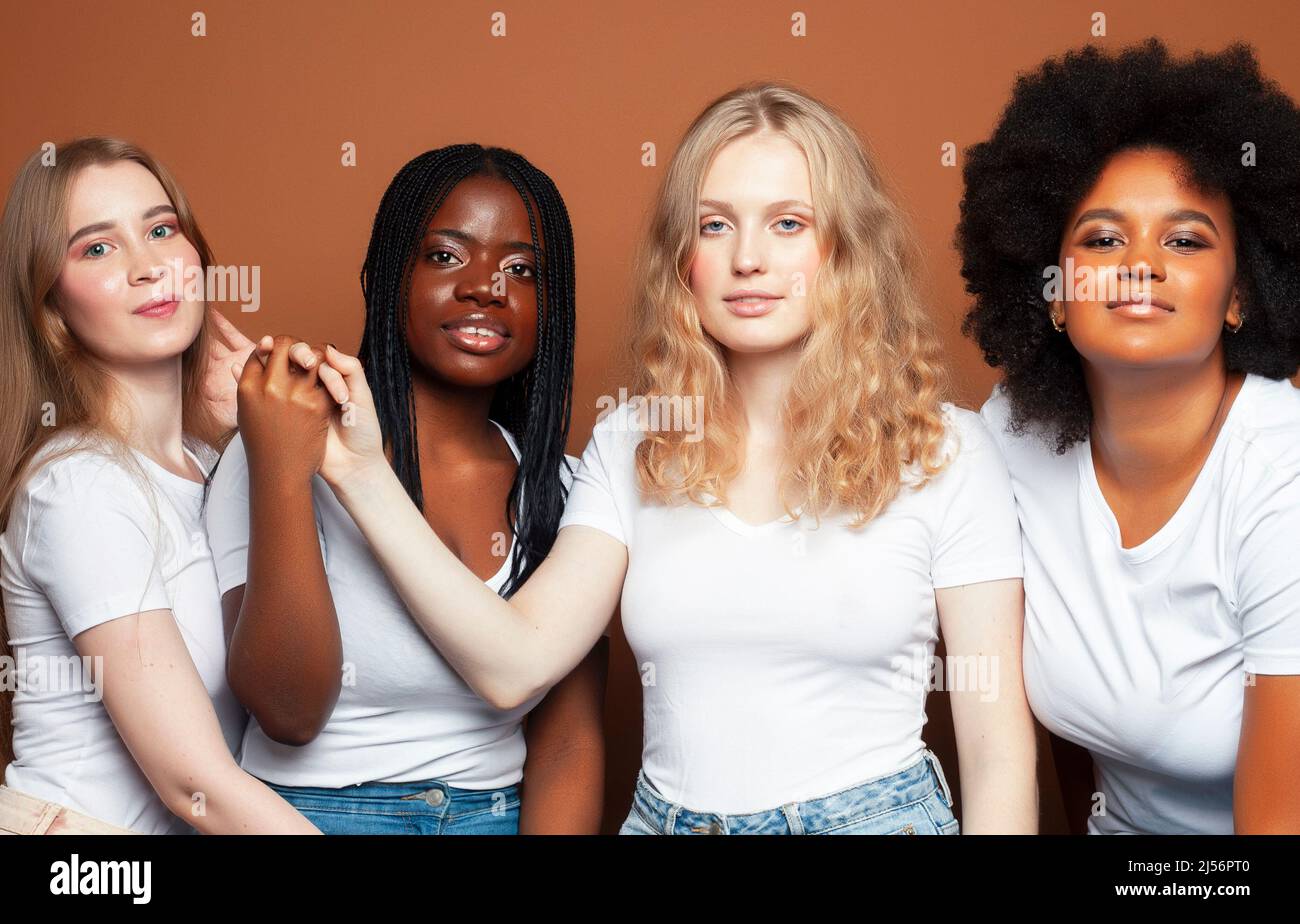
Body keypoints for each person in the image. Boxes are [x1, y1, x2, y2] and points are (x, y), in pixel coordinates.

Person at [271, 83, 1039, 834]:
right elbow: (511, 665)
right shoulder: (635, 442)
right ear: (683, 258)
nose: (748, 259)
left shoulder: (945, 449)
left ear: (846, 248)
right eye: (714, 225)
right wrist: (362, 473)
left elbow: (999, 753)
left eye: (788, 223)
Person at [205, 146, 607, 834]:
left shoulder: (566, 491)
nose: (487, 286)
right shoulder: (276, 445)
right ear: (390, 274)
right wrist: (279, 464)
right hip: (308, 818)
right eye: (447, 256)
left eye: (522, 269)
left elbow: (568, 742)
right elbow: (288, 712)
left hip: (496, 818)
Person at [958, 38, 1300, 834]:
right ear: (1053, 295)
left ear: (1239, 297)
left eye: (1184, 240)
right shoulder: (1010, 440)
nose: (1139, 263)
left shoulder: (1283, 474)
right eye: (1103, 239)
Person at [0, 137, 317, 834]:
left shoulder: (206, 467)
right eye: (97, 249)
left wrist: (254, 442)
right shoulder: (78, 484)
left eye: (160, 229)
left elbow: (278, 692)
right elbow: (191, 782)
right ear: (49, 306)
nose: (149, 268)